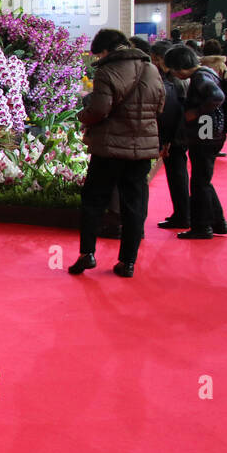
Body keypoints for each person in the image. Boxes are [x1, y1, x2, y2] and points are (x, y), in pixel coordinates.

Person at [69, 28, 164, 278]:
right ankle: (128, 262)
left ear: (105, 50)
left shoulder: (107, 71)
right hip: (142, 150)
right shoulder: (151, 69)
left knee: (94, 200)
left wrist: (82, 116)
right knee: (134, 204)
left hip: (109, 149)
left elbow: (99, 109)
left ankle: (87, 253)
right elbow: (161, 103)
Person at [164, 45, 227, 239]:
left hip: (206, 134)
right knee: (203, 180)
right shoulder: (207, 73)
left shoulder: (200, 77)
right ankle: (217, 222)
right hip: (210, 132)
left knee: (200, 182)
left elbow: (217, 97)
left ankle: (202, 226)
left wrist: (196, 112)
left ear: (179, 67)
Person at [151, 39, 190, 230]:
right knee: (177, 176)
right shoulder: (174, 81)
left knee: (178, 176)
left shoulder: (174, 82)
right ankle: (182, 213)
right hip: (177, 136)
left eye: (155, 59)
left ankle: (183, 215)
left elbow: (174, 114)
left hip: (176, 137)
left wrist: (168, 141)